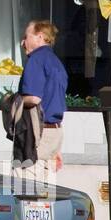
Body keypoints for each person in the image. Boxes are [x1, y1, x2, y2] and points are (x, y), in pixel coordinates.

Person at [18, 19, 68, 172]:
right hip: (55, 132)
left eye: (26, 37)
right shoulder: (56, 62)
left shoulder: (36, 60)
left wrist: (14, 101)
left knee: (28, 188)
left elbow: (34, 98)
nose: (22, 42)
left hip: (39, 134)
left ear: (39, 37)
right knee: (46, 191)